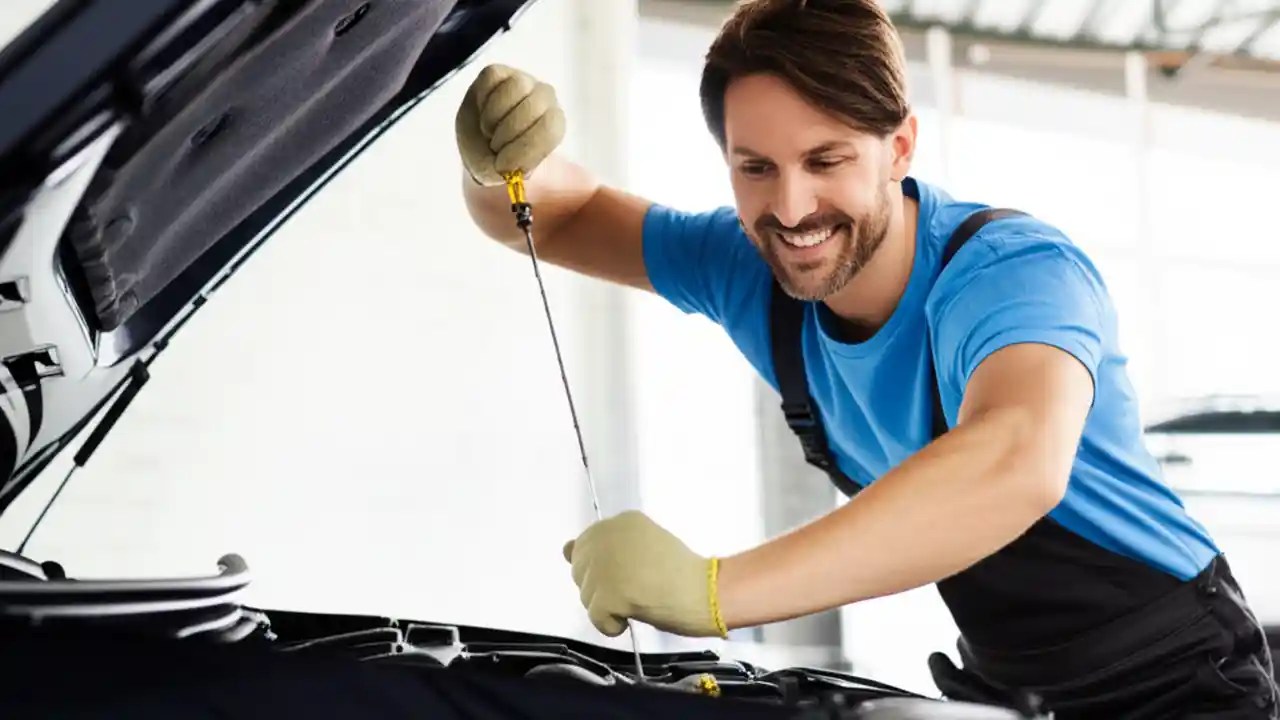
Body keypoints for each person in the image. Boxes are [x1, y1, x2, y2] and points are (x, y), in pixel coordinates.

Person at [453, 0, 1277, 716]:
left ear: (901, 146)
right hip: (1010, 685)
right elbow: (561, 214)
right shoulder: (746, 267)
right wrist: (500, 167)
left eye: (827, 160)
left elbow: (1016, 461)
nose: (791, 207)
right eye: (756, 168)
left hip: (1177, 676)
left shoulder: (1013, 275)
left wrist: (712, 591)